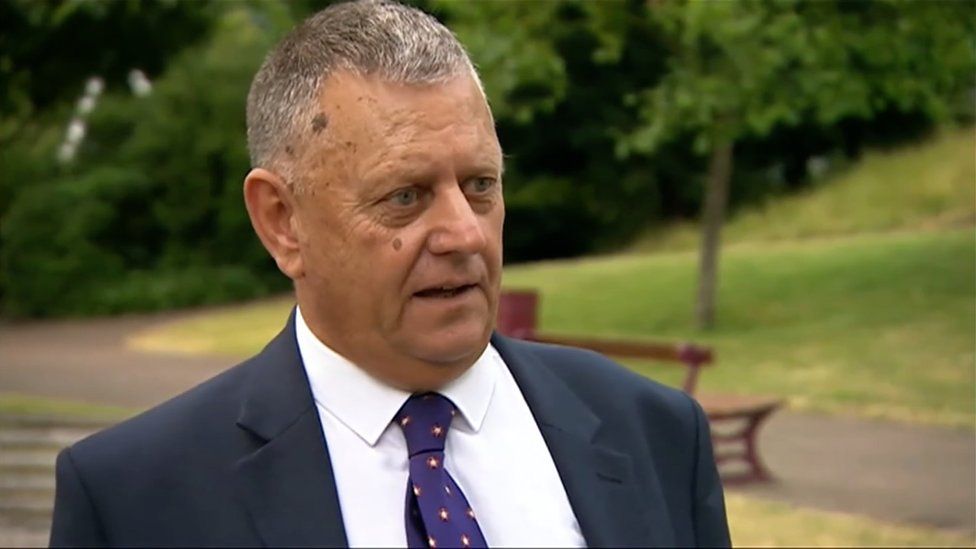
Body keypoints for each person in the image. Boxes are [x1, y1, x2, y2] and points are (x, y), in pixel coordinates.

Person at [49, 1, 730, 547]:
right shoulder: (136, 496)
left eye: (481, 185)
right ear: (282, 221)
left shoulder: (656, 433)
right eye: (405, 196)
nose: (465, 233)